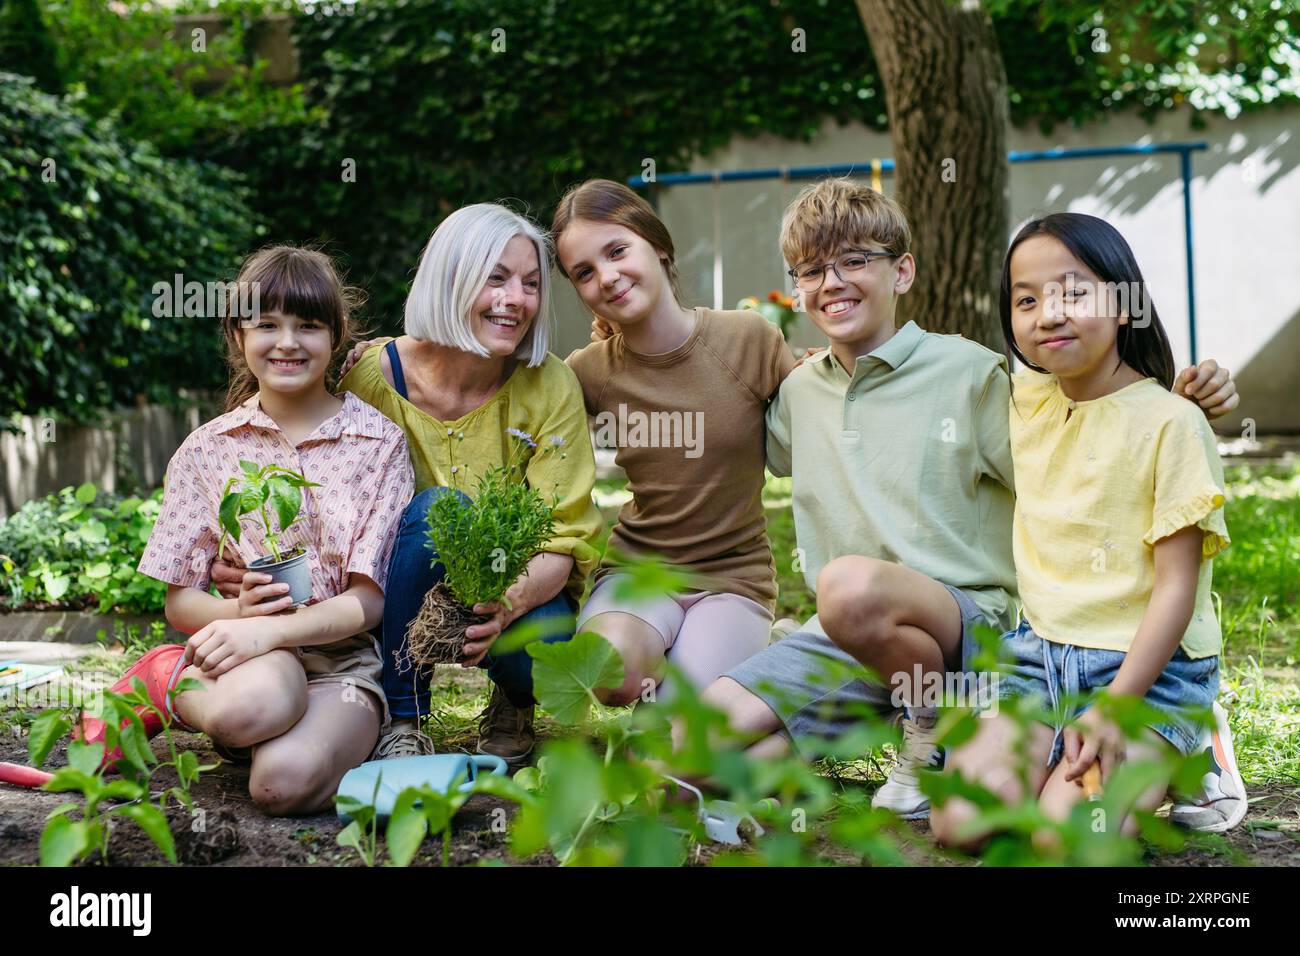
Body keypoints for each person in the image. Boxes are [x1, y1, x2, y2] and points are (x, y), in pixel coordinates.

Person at [696, 179, 1240, 822]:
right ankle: (841, 734)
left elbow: (1096, 441)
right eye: (812, 271)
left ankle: (939, 733)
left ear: (903, 272)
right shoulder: (799, 393)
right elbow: (742, 438)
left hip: (971, 629)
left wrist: (1186, 402)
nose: (832, 281)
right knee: (692, 748)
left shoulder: (975, 375)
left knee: (849, 588)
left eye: (853, 262)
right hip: (858, 631)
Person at [930, 214, 1235, 848]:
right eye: (1026, 299)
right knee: (959, 822)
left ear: (1125, 302)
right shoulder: (1022, 400)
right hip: (1036, 659)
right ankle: (1054, 758)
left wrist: (1116, 707)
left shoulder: (1172, 423)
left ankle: (1187, 751)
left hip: (1150, 672)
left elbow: (1177, 590)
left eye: (1075, 292)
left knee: (1064, 845)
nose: (1048, 314)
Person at [78, 245, 413, 815]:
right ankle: (168, 679)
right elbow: (181, 599)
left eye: (307, 326)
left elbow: (366, 602)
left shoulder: (378, 444)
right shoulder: (207, 451)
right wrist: (242, 618)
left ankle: (288, 740)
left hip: (343, 665)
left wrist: (272, 630)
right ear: (238, 336)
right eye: (267, 325)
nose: (287, 342)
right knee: (250, 710)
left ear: (336, 336)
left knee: (280, 787)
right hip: (247, 663)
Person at [325, 203, 604, 766]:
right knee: (437, 509)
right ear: (449, 279)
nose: (515, 299)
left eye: (530, 283)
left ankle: (513, 699)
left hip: (508, 581)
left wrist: (503, 603)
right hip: (397, 579)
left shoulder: (548, 385)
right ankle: (401, 715)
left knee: (545, 640)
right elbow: (329, 498)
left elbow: (562, 536)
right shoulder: (370, 377)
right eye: (494, 278)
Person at [554, 179, 795, 703]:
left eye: (617, 251)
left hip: (733, 579)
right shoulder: (588, 372)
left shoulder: (749, 339)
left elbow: (825, 393)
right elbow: (509, 395)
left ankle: (750, 658)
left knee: (682, 746)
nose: (608, 277)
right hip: (638, 573)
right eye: (585, 273)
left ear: (658, 245)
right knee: (608, 675)